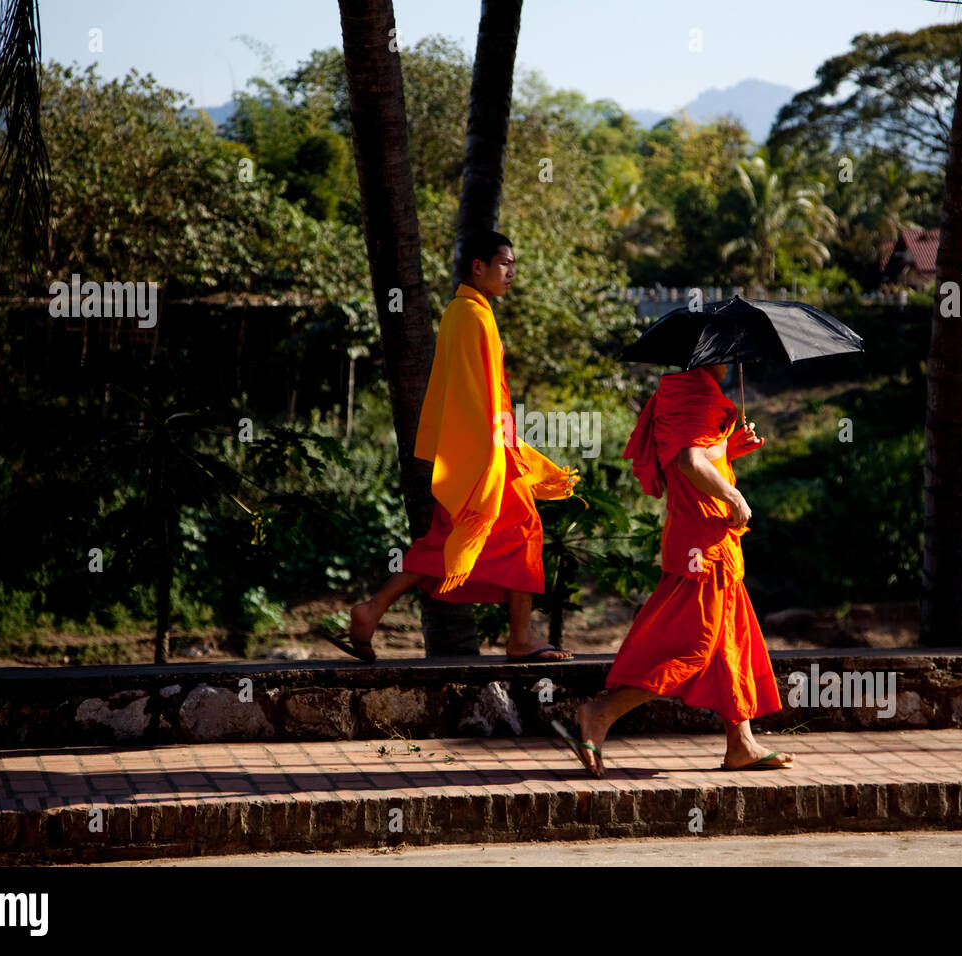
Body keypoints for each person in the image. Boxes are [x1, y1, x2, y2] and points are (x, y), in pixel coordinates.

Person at [332, 230, 579, 663]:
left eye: (513, 264)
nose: (511, 274)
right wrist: (497, 456)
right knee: (524, 531)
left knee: (443, 542)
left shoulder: (469, 311)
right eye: (504, 264)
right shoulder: (469, 314)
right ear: (478, 267)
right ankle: (520, 639)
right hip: (483, 455)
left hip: (481, 451)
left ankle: (370, 611)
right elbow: (473, 396)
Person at [552, 363, 794, 775]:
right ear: (712, 353)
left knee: (728, 641)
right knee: (694, 646)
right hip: (704, 543)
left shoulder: (676, 394)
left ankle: (742, 743)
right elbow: (687, 462)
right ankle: (601, 712)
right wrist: (734, 496)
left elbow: (693, 458)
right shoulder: (699, 399)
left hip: (698, 538)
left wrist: (728, 449)